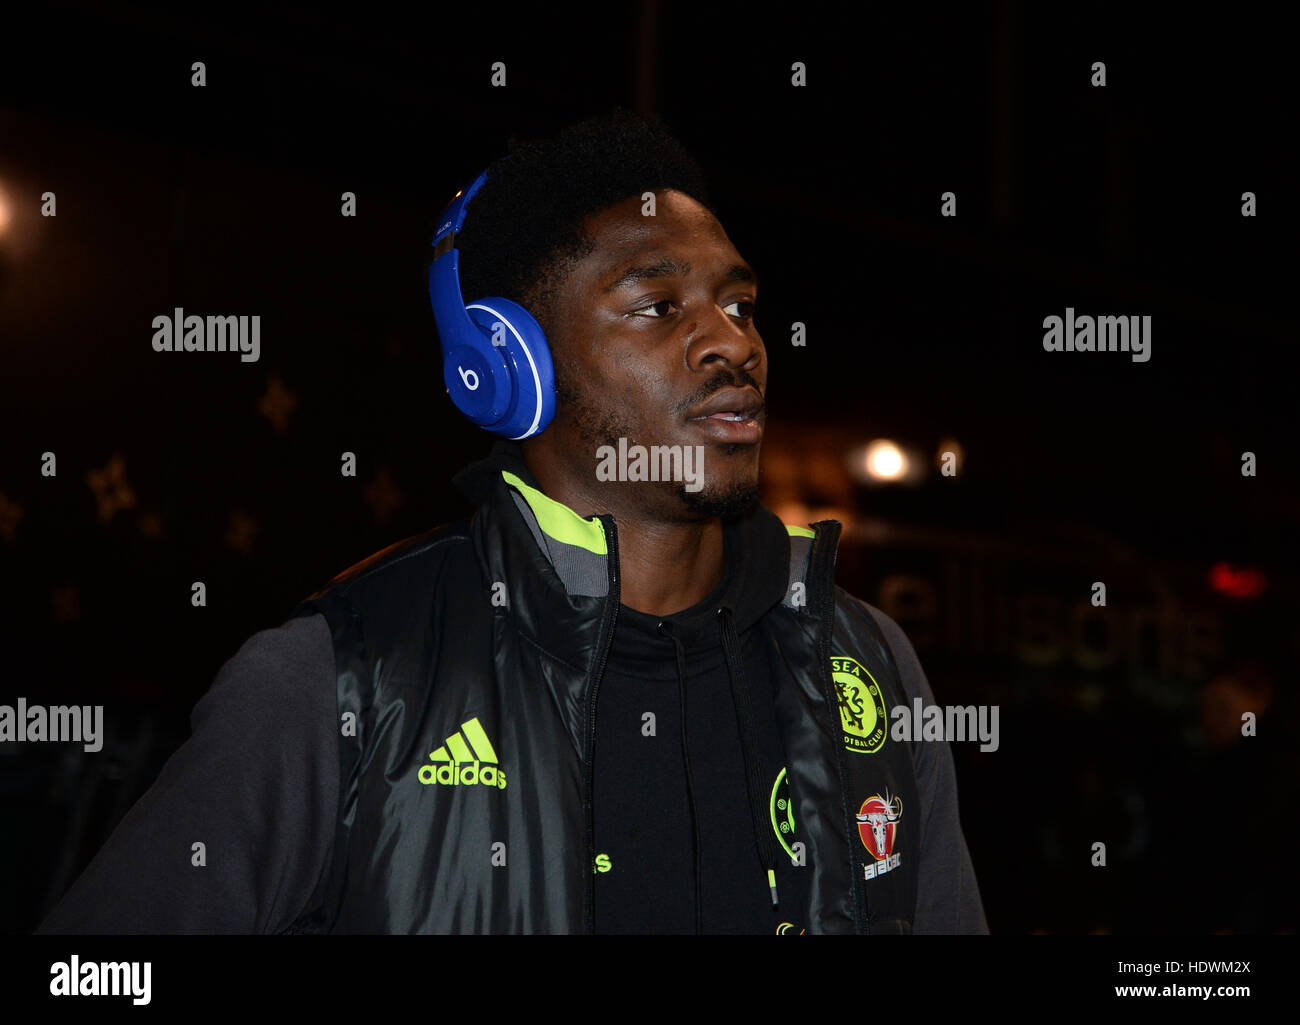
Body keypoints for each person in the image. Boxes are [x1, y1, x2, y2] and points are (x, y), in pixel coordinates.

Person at [37, 110, 987, 934]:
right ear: (506, 365)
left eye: (739, 304)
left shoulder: (864, 660)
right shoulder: (339, 680)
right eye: (658, 306)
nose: (733, 343)